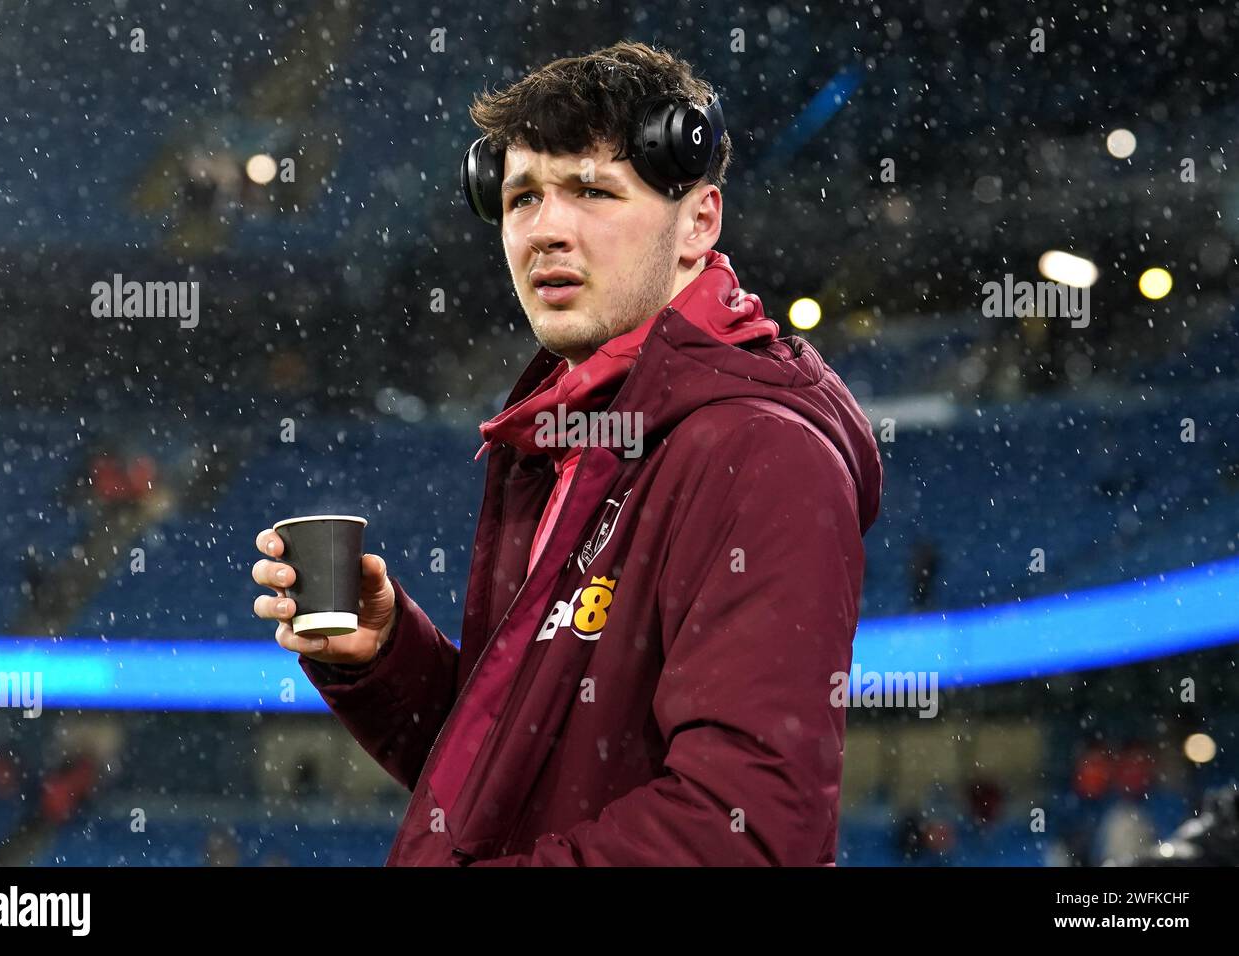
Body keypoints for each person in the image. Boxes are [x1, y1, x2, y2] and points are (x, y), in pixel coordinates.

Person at [251, 40, 882, 865]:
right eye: (522, 198)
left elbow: (748, 833)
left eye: (591, 191)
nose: (545, 229)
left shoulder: (760, 452)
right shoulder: (569, 430)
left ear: (699, 222)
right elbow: (513, 782)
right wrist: (387, 657)